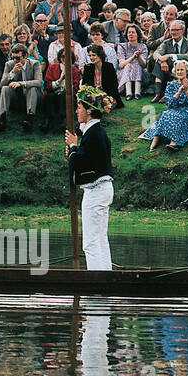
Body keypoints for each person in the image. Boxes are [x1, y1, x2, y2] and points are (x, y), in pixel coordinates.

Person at [65, 85, 116, 271]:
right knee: (100, 238)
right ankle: (105, 274)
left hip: (96, 190)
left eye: (79, 108)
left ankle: (97, 280)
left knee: (91, 242)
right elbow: (88, 158)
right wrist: (75, 147)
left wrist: (72, 148)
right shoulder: (96, 132)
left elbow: (79, 163)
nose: (77, 111)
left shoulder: (94, 134)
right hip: (102, 189)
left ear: (88, 111)